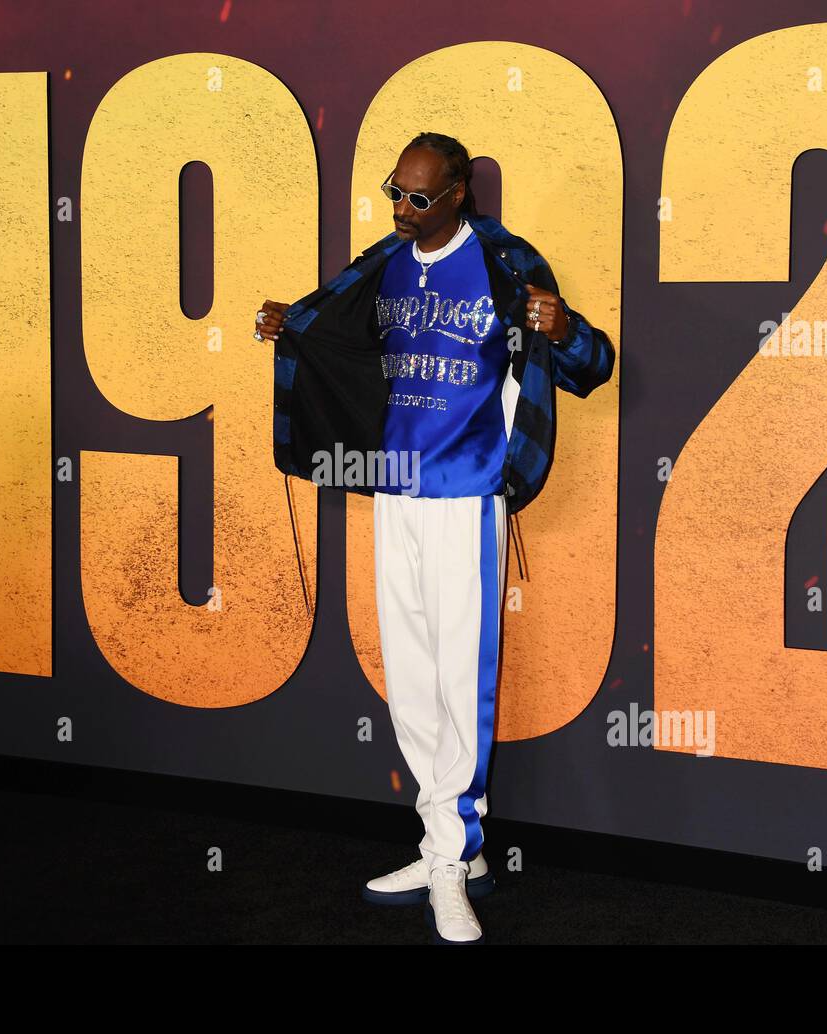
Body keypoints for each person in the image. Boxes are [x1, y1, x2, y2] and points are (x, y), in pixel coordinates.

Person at [255, 133, 615, 944]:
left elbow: (593, 363)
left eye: (418, 197)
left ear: (459, 194)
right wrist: (291, 327)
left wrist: (563, 330)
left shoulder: (508, 266)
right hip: (397, 491)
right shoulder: (384, 262)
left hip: (468, 493)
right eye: (395, 192)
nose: (401, 208)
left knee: (462, 678)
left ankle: (451, 861)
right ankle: (451, 843)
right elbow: (335, 336)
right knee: (411, 677)